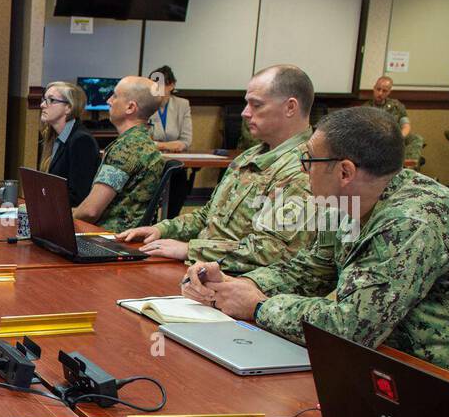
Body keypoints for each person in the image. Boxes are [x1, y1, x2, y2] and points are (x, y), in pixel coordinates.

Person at [181, 106, 449, 392]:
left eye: (308, 159)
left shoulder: (410, 219)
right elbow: (308, 269)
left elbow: (351, 328)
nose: (303, 168)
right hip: (395, 366)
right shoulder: (348, 202)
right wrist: (240, 284)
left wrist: (259, 307)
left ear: (345, 171)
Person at [117, 64, 316, 272]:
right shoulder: (250, 156)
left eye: (256, 105)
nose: (245, 113)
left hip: (240, 284)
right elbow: (209, 216)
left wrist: (191, 250)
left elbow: (272, 251)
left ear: (290, 107)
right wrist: (161, 229)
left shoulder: (304, 169)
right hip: (204, 270)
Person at [70, 76, 163, 233]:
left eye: (114, 96)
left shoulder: (127, 148)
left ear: (130, 107)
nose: (108, 101)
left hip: (105, 239)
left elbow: (90, 211)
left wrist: (60, 215)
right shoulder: (142, 142)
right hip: (118, 236)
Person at [37, 81, 99, 206]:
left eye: (51, 100)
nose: (42, 105)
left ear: (69, 108)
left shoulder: (81, 141)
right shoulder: (52, 137)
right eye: (44, 99)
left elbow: (78, 196)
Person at [368, 75, 424, 164]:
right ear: (374, 89)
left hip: (396, 138)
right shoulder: (366, 108)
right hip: (378, 140)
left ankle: (407, 163)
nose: (380, 93)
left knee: (416, 138)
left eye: (384, 91)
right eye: (378, 89)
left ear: (389, 92)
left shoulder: (396, 106)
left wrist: (399, 137)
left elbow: (406, 126)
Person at [147, 65, 193, 153]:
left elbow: (186, 140)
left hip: (176, 156)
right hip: (150, 156)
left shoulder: (182, 105)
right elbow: (141, 142)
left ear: (171, 85)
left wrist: (158, 145)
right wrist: (166, 146)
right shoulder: (145, 104)